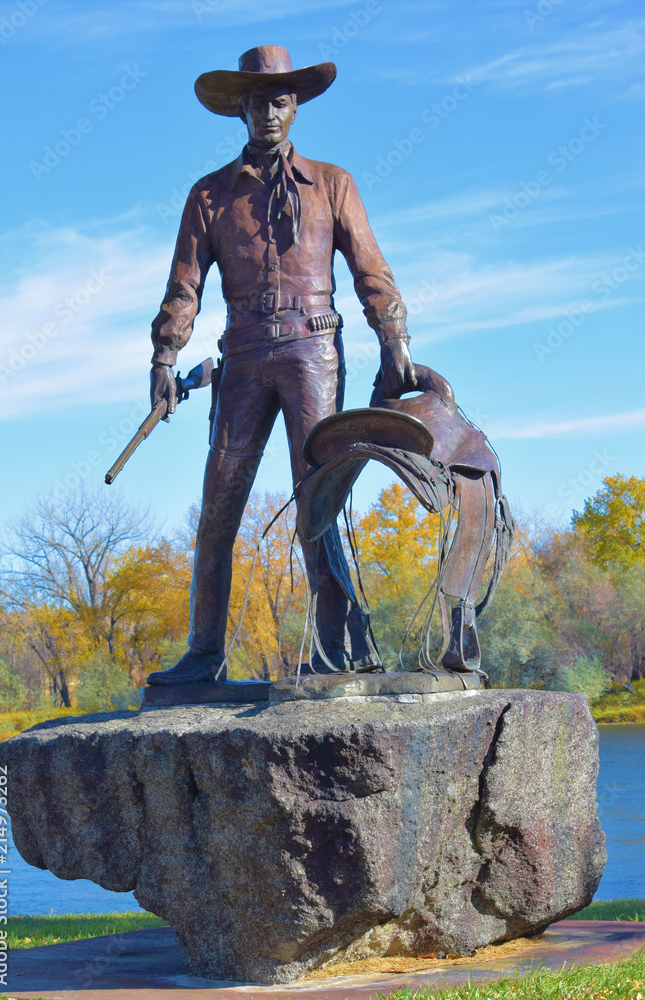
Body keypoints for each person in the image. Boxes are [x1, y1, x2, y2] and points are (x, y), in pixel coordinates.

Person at [146, 46, 415, 685]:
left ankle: (339, 647)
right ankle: (204, 652)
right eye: (261, 100)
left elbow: (370, 270)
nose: (272, 111)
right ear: (241, 107)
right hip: (240, 359)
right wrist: (165, 354)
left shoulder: (332, 183)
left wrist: (394, 338)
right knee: (219, 506)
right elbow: (184, 286)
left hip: (312, 352)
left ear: (295, 107)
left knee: (316, 500)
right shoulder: (209, 196)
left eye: (283, 99)